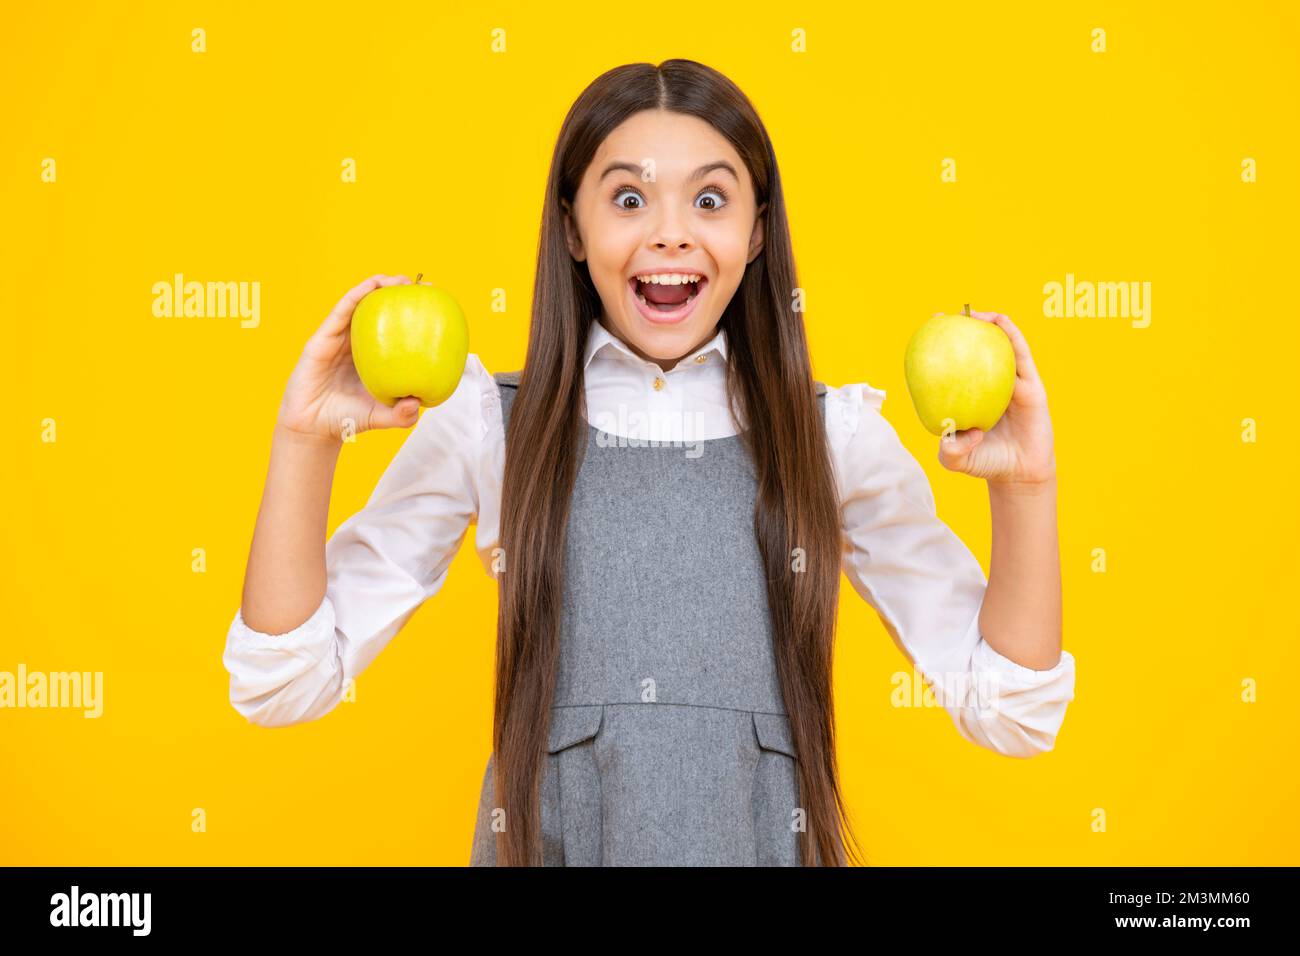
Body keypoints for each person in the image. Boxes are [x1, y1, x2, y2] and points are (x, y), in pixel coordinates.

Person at [223, 59, 1075, 867]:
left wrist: (1025, 489)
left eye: (710, 199)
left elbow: (1010, 711)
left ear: (756, 232)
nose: (671, 234)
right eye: (629, 197)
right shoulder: (490, 423)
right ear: (572, 226)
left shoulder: (833, 439)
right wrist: (306, 441)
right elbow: (282, 685)